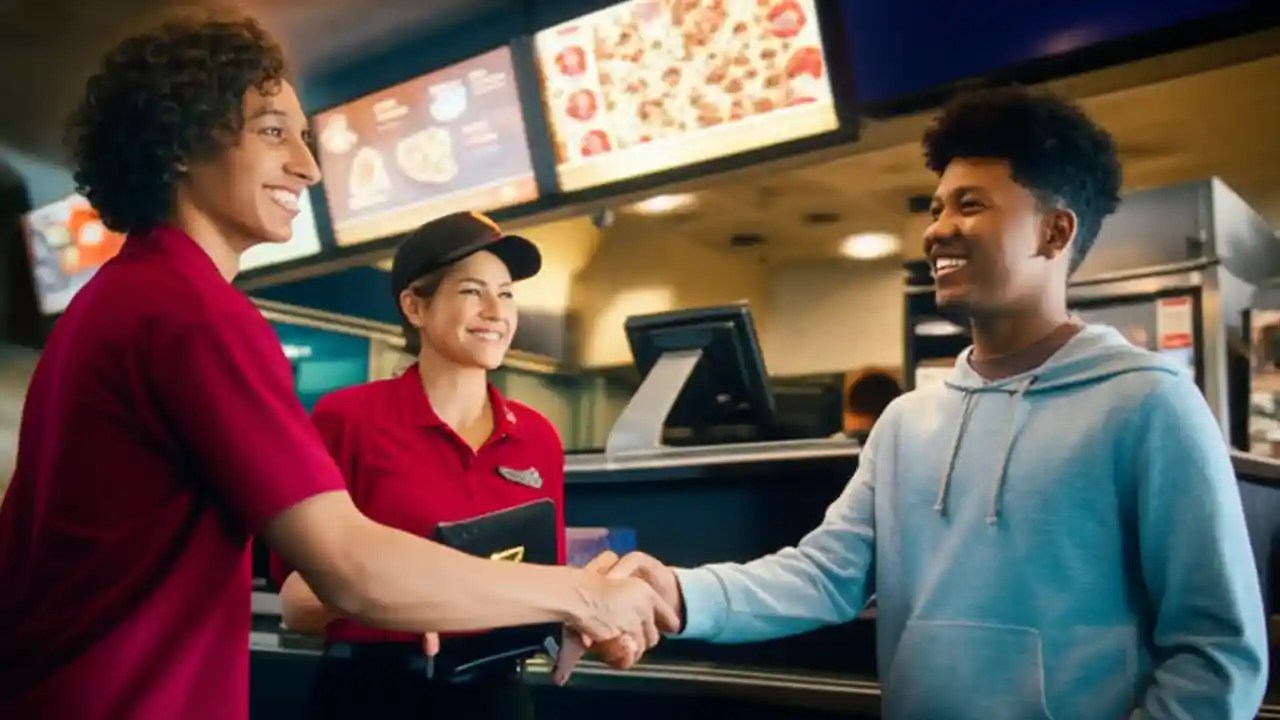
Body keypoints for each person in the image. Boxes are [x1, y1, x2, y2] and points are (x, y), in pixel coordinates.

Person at [0, 15, 675, 720]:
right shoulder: (195, 316)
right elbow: (350, 571)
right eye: (272, 131)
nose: (309, 166)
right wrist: (586, 595)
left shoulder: (116, 297)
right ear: (179, 145)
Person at [565, 86, 1270, 718]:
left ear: (1055, 232)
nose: (937, 230)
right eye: (936, 208)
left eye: (971, 205)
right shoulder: (907, 420)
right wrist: (679, 593)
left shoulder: (1149, 403)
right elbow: (825, 575)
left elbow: (1216, 652)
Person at [272, 211, 577, 719]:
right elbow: (297, 601)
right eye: (471, 292)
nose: (495, 311)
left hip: (498, 694)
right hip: (375, 691)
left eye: (505, 294)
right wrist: (413, 595)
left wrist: (567, 614)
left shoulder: (538, 437)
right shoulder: (348, 419)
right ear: (415, 307)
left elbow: (544, 575)